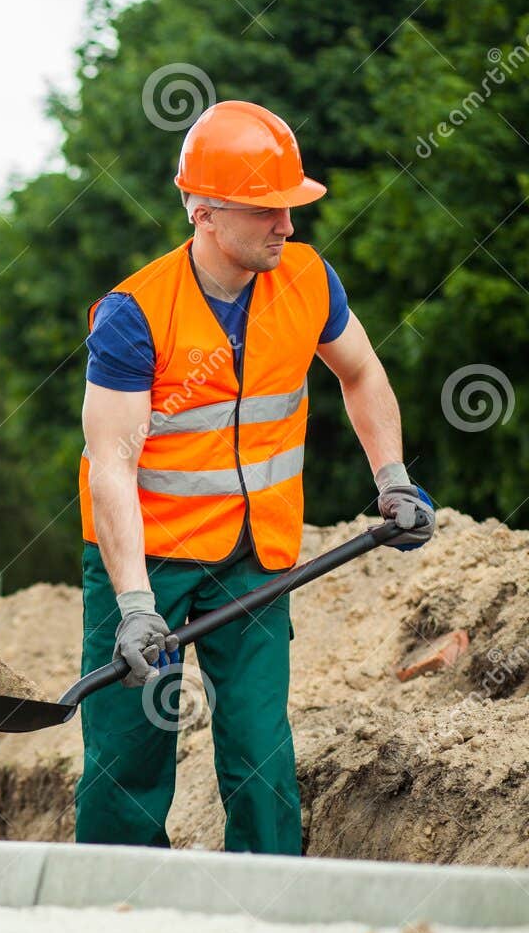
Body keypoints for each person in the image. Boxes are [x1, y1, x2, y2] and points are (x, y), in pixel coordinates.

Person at [77, 100, 435, 855]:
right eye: (268, 210)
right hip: (150, 564)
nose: (287, 226)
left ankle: (273, 906)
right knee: (128, 762)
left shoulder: (306, 280)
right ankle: (111, 908)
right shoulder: (134, 314)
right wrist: (135, 606)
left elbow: (362, 371)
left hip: (254, 560)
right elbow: (110, 464)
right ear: (203, 212)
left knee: (261, 753)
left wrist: (394, 477)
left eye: (291, 208)